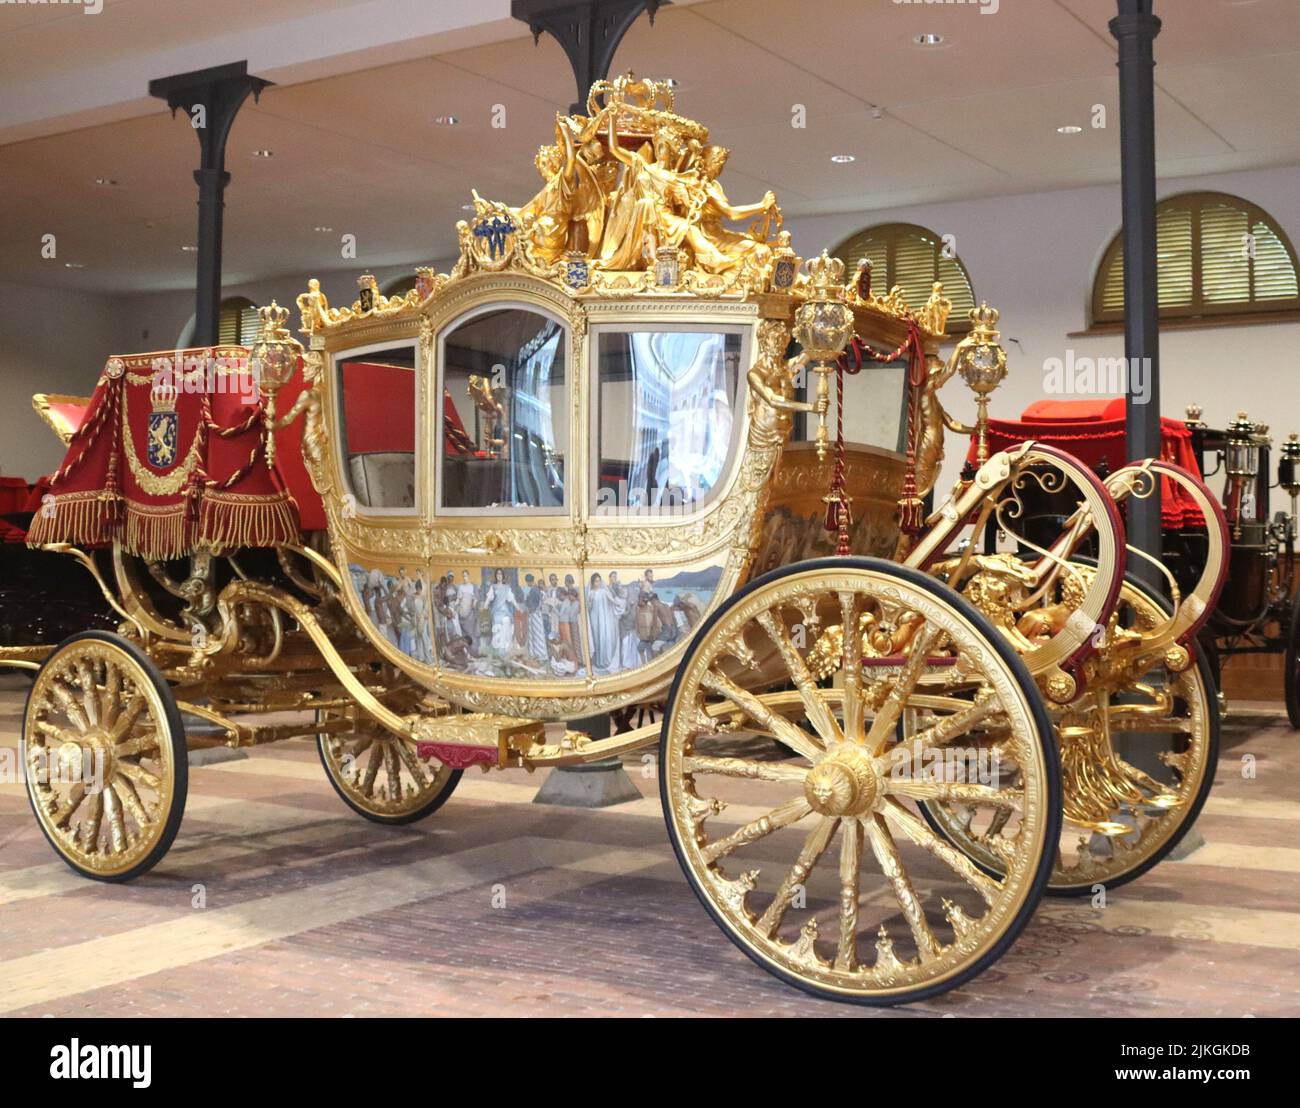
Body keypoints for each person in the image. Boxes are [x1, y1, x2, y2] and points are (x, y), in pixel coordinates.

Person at [587, 572, 620, 674]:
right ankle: (597, 661)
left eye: (599, 580)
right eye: (596, 581)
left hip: (603, 619)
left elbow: (612, 601)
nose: (598, 583)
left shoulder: (604, 592)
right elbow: (588, 608)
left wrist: (620, 603)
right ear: (592, 583)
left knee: (604, 637)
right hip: (594, 618)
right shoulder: (591, 593)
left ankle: (605, 661)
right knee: (597, 638)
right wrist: (591, 601)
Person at [486, 568, 519, 659]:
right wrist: (485, 605)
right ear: (496, 576)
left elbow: (511, 599)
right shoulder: (493, 587)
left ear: (503, 576)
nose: (499, 576)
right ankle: (498, 650)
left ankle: (506, 649)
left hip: (505, 611)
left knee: (506, 620)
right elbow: (489, 598)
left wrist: (517, 607)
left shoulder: (507, 587)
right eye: (497, 574)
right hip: (496, 611)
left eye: (501, 574)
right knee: (497, 620)